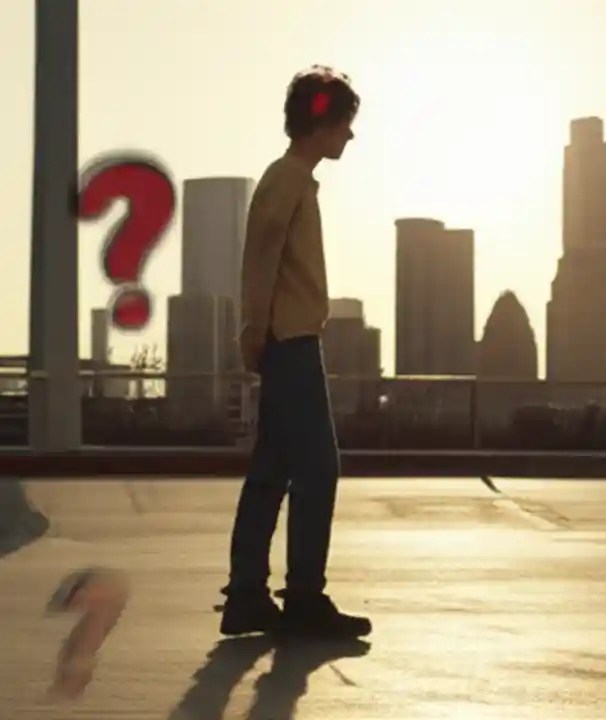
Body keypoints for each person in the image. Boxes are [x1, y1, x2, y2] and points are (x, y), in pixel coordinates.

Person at [219, 65, 371, 639]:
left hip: (287, 340)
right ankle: (303, 597)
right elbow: (260, 260)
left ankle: (247, 597)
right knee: (318, 469)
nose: (350, 134)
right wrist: (255, 331)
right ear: (320, 122)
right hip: (290, 343)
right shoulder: (286, 180)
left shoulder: (293, 180)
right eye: (345, 123)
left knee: (272, 469)